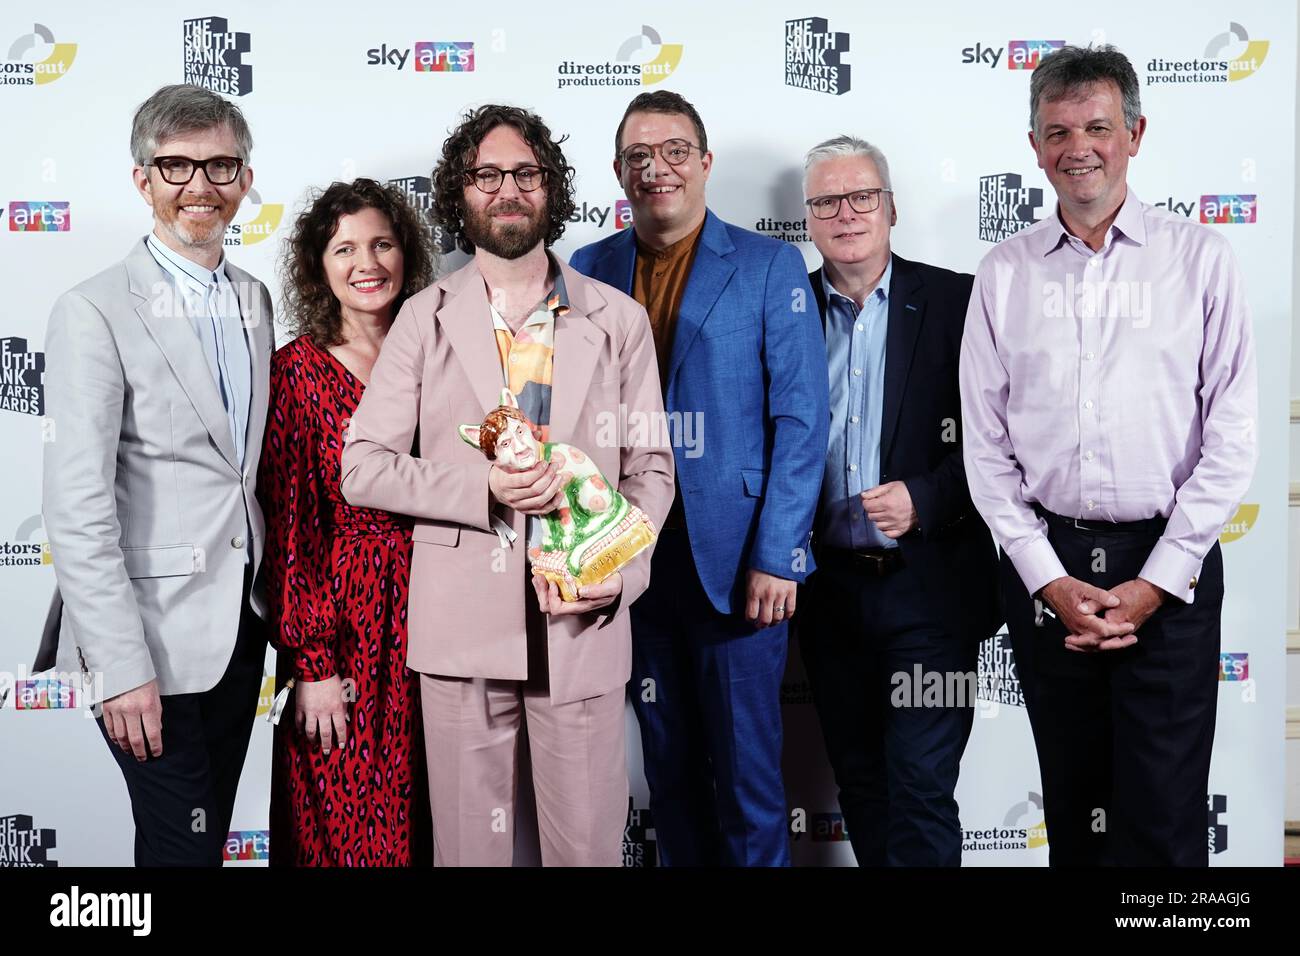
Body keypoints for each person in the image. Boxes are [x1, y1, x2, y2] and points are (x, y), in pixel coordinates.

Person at [339, 105, 675, 866]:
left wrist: (620, 576)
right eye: (487, 175)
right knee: (470, 853)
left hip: (580, 621)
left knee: (585, 850)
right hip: (462, 630)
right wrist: (483, 487)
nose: (507, 190)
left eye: (524, 173)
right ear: (462, 194)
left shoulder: (617, 320)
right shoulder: (422, 319)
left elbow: (652, 469)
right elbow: (362, 466)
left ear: (550, 188)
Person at [960, 45, 1257, 866]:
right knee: (1077, 811)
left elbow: (1232, 438)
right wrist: (1047, 579)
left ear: (1136, 132)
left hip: (1170, 566)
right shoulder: (1004, 273)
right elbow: (984, 449)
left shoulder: (1201, 260)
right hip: (1047, 566)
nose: (1077, 147)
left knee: (1162, 824)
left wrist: (1157, 583)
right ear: (1033, 147)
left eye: (1097, 126)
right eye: (1057, 131)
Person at [570, 90, 829, 866]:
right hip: (631, 566)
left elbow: (801, 422)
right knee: (668, 778)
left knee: (750, 788)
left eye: (675, 150)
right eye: (639, 156)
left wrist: (779, 554)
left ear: (705, 162)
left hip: (738, 566)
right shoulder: (589, 268)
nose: (658, 168)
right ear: (618, 172)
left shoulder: (768, 265)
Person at [33, 84, 273, 866]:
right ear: (143, 180)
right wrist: (118, 667)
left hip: (240, 635)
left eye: (219, 165)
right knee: (185, 854)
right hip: (145, 647)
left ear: (243, 178)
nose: (199, 186)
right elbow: (77, 506)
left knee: (186, 847)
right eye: (175, 166)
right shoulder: (93, 311)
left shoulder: (255, 299)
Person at [798, 135, 1000, 866]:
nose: (845, 213)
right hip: (827, 597)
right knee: (864, 790)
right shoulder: (786, 311)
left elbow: (1005, 441)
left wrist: (926, 496)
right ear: (809, 219)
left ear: (891, 208)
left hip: (929, 596)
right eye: (826, 201)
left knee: (919, 789)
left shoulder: (958, 302)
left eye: (862, 197)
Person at [259, 179, 436, 866]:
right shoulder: (296, 374)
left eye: (382, 243)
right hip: (348, 627)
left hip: (440, 614)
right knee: (342, 823)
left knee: (435, 815)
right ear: (319, 266)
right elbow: (291, 531)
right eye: (345, 249)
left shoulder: (438, 357)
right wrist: (313, 664)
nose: (368, 263)